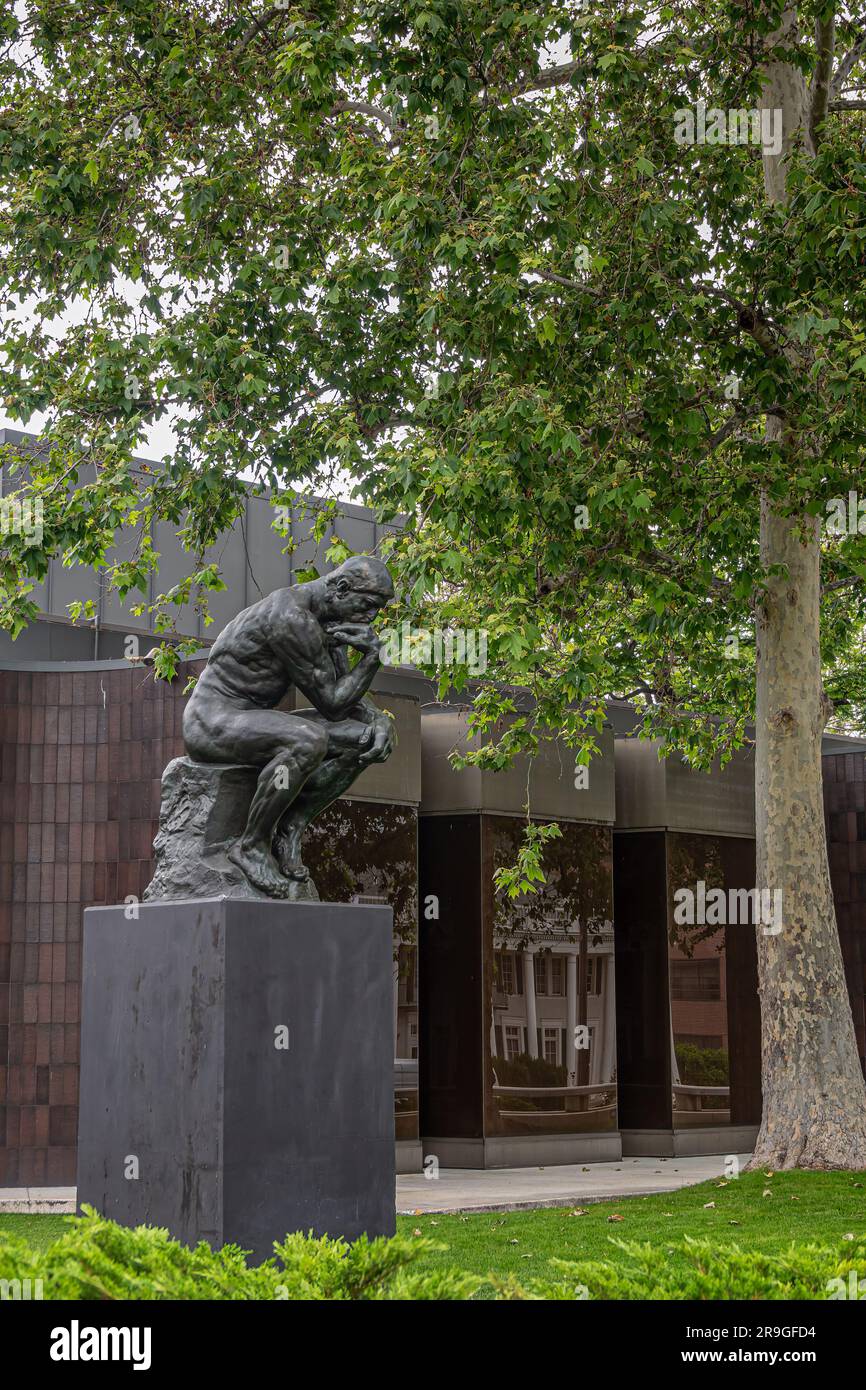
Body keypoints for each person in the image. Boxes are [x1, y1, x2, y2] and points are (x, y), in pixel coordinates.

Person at [183, 554, 395, 896]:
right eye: (368, 605)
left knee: (366, 738)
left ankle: (291, 825)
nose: (371, 617)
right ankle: (250, 846)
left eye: (377, 609)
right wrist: (373, 657)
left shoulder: (327, 620)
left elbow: (344, 692)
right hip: (211, 720)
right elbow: (333, 703)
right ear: (341, 589)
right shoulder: (291, 616)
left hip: (250, 719)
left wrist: (379, 720)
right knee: (307, 740)